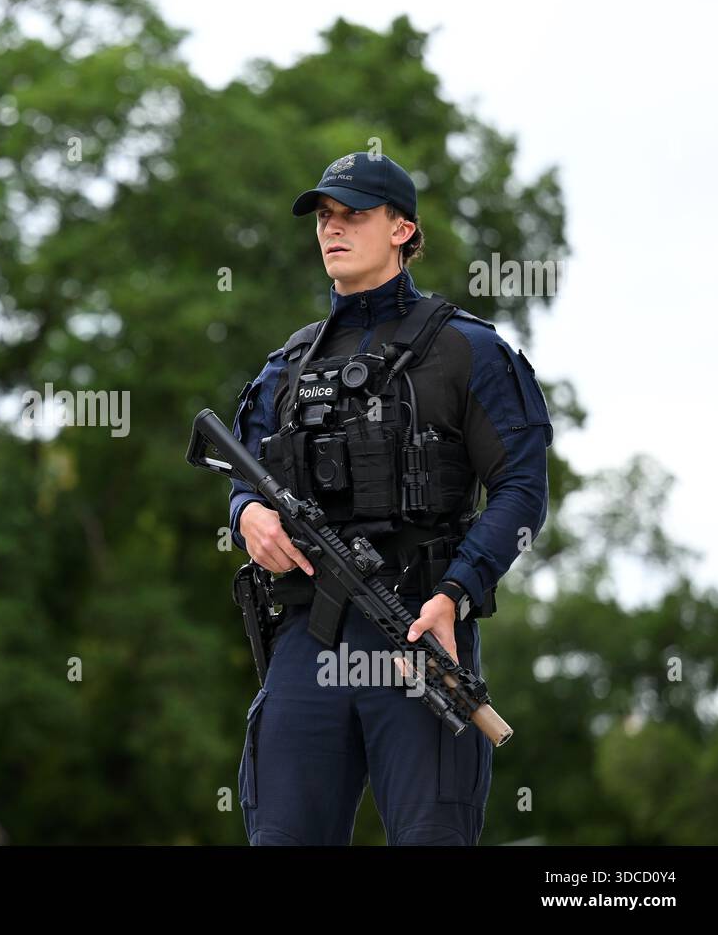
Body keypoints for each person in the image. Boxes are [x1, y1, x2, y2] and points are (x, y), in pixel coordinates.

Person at [227, 152, 552, 845]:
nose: (331, 230)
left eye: (353, 215)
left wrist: (456, 593)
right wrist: (246, 516)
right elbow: (241, 477)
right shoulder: (287, 366)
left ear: (403, 228)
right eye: (324, 217)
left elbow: (522, 489)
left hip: (417, 630)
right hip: (305, 641)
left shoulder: (469, 351)